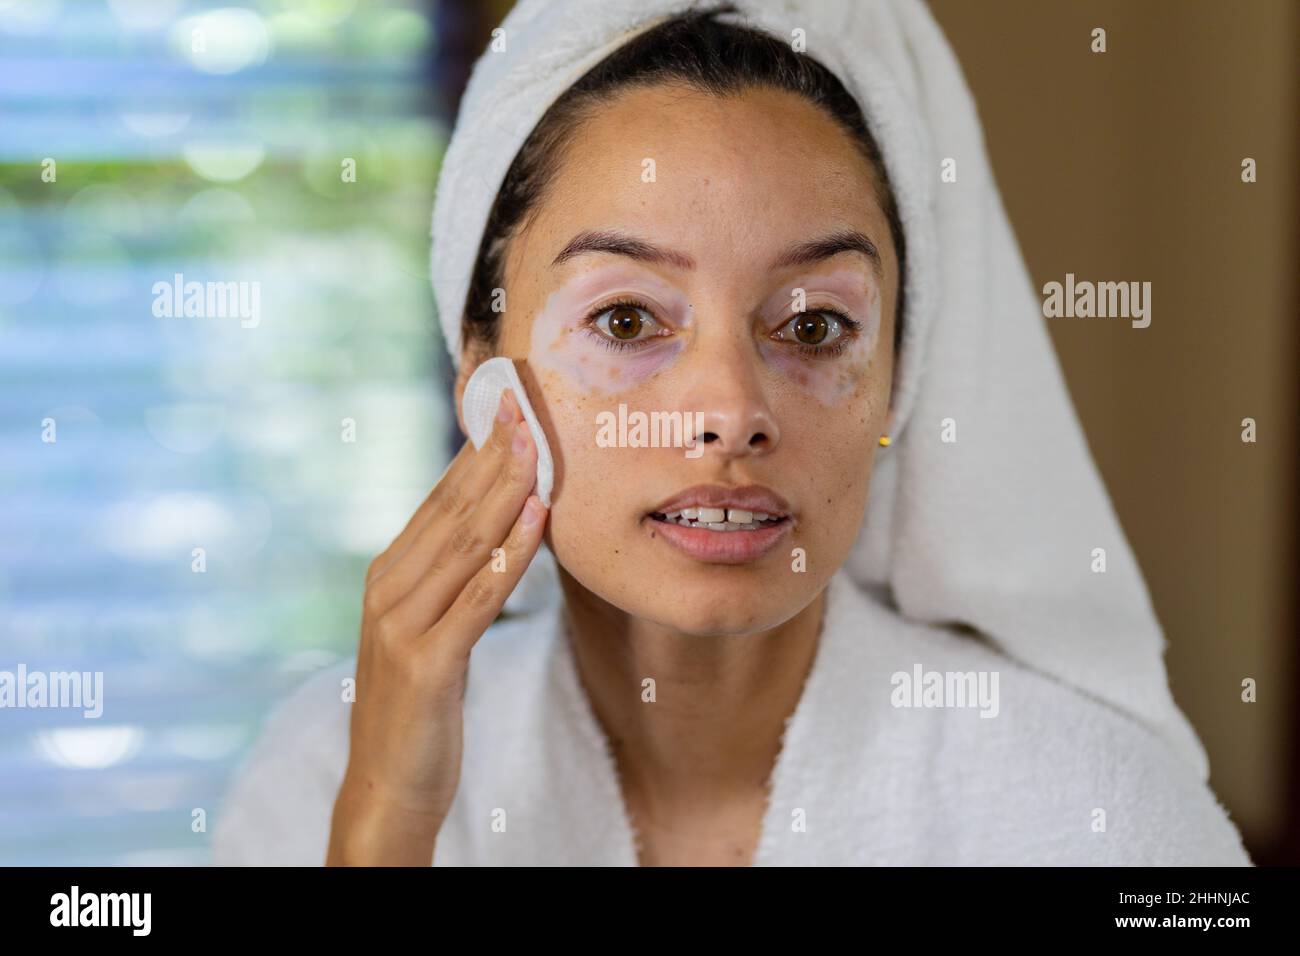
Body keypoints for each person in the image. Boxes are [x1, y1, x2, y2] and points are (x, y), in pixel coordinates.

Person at [210, 0, 1251, 866]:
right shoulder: (322, 772)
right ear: (484, 371)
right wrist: (388, 814)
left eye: (813, 325)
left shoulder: (1104, 817)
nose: (729, 413)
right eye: (625, 320)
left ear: (896, 380)